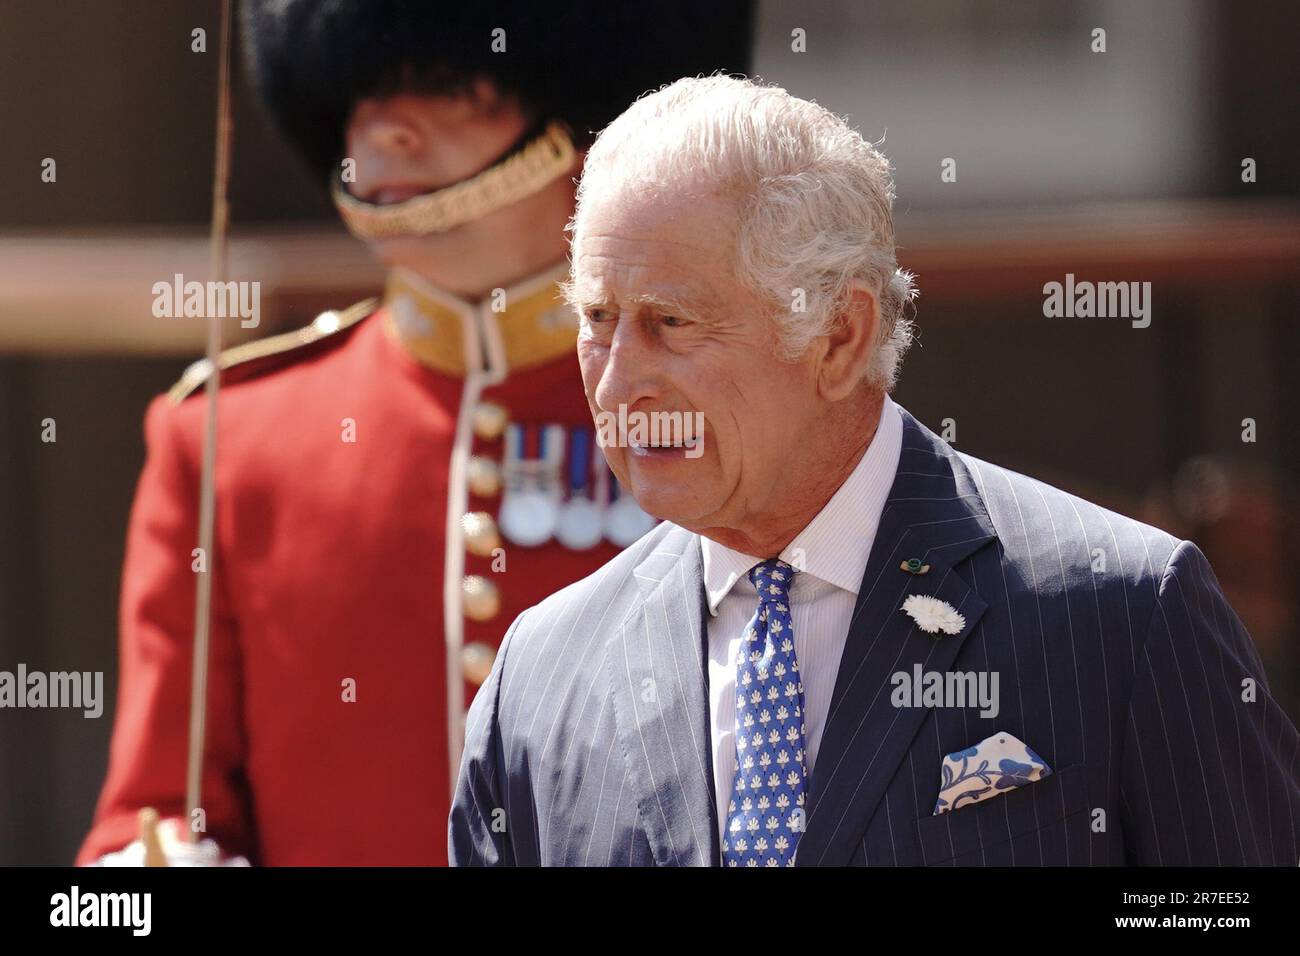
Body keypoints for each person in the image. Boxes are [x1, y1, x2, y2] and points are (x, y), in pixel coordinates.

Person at [449, 75, 1300, 866]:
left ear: (839, 337)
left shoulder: (1123, 611)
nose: (618, 379)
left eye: (671, 322)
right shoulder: (541, 675)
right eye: (598, 318)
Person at [78, 2, 753, 865]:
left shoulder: (731, 403)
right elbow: (142, 827)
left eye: (449, 86)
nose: (384, 128)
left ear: (589, 120)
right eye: (359, 90)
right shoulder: (226, 437)